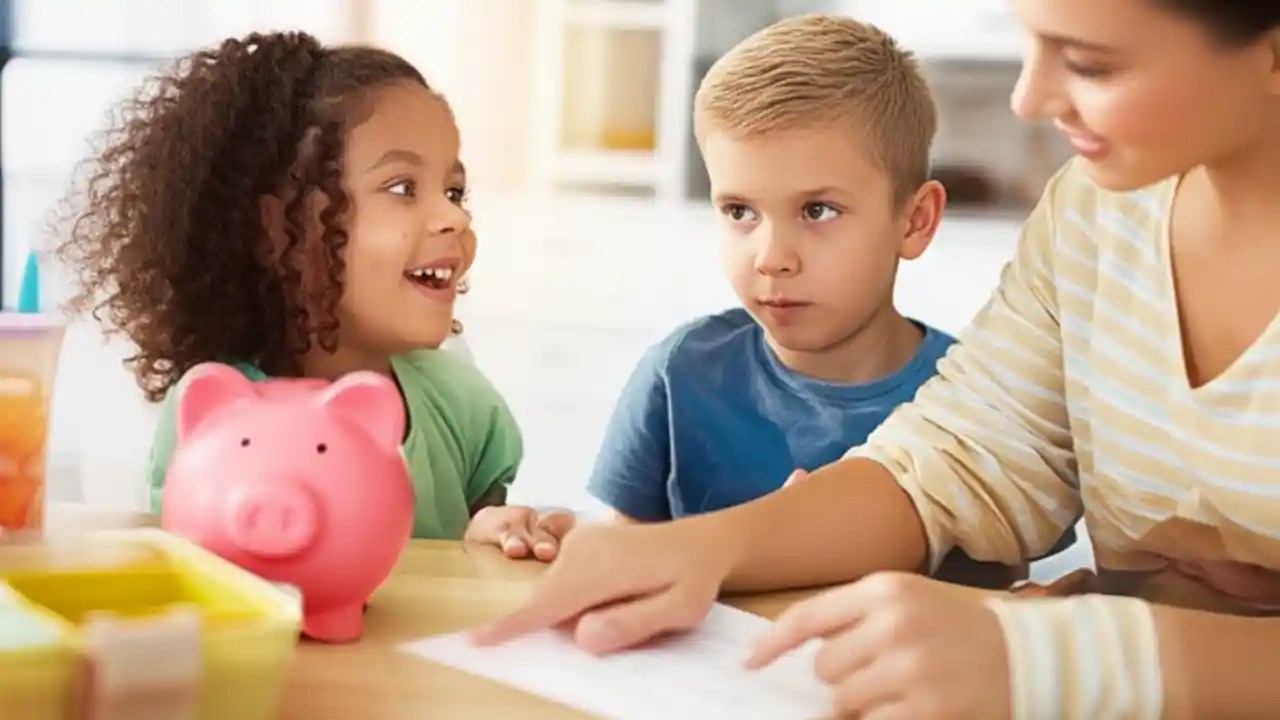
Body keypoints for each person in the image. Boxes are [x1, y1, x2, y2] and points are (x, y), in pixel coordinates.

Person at [473, 2, 1280, 718]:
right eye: (1030, 41)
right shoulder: (1096, 215)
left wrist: (1068, 657)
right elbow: (955, 460)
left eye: (1091, 62)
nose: (1027, 99)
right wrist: (700, 548)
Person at [466, 15, 1050, 586]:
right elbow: (627, 552)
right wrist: (545, 536)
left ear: (915, 220)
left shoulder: (973, 405)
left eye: (817, 210)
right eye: (740, 212)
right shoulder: (680, 374)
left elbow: (998, 597)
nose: (772, 256)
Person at [54, 31, 522, 541]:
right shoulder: (219, 411)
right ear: (277, 229)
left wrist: (495, 537)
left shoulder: (463, 404)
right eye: (402, 188)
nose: (454, 216)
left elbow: (474, 565)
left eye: (454, 190)